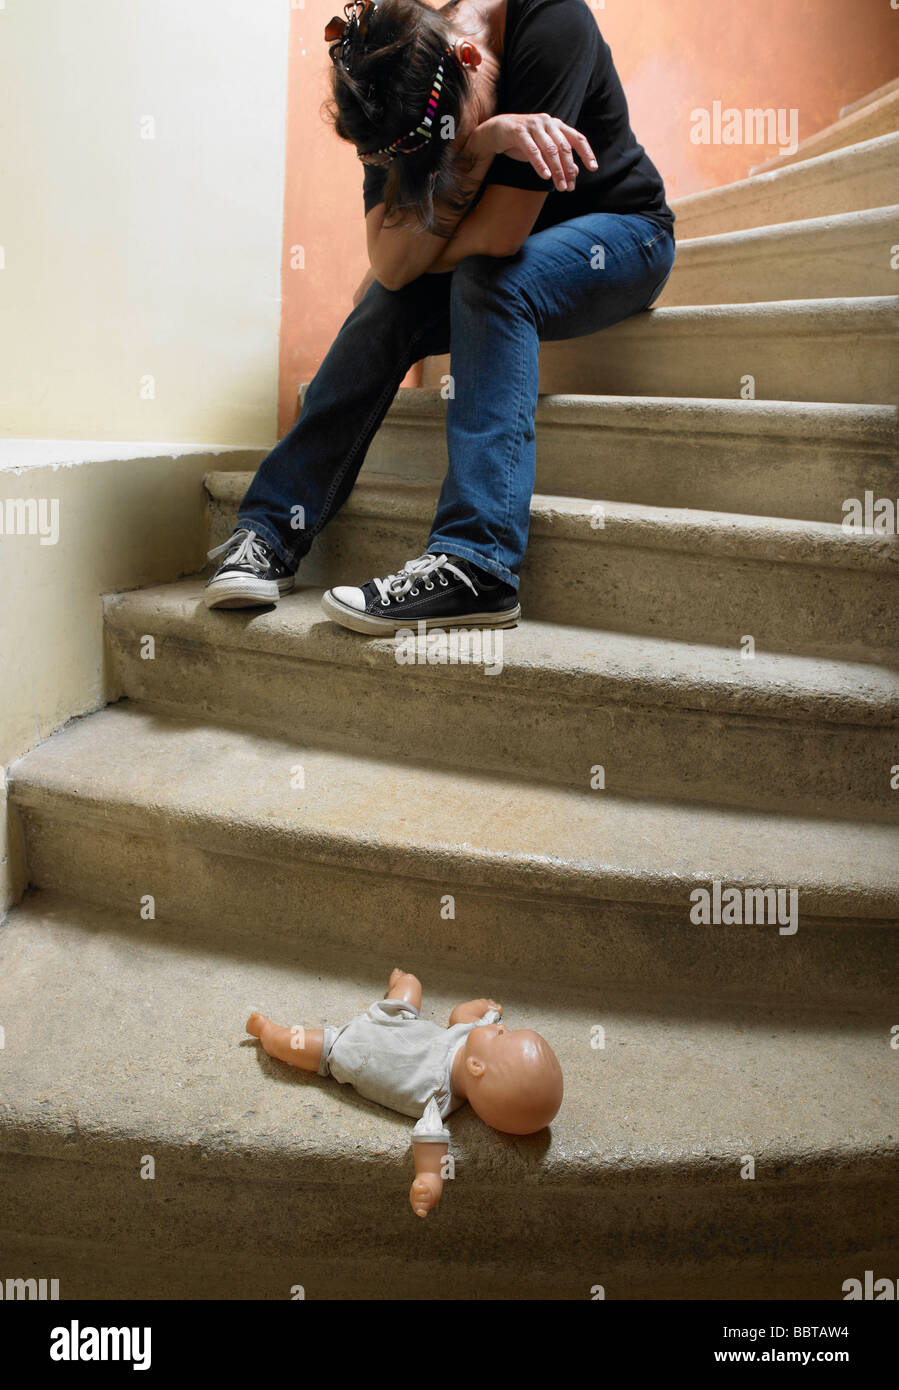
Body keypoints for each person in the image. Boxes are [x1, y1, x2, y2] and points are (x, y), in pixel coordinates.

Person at [206, 0, 675, 630]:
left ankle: (477, 564)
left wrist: (398, 261)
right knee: (386, 303)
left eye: (452, 133)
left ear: (473, 62)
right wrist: (478, 146)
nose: (429, 163)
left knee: (489, 280)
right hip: (492, 246)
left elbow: (498, 238)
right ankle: (269, 529)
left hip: (622, 237)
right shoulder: (389, 67)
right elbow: (393, 264)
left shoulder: (551, 25)